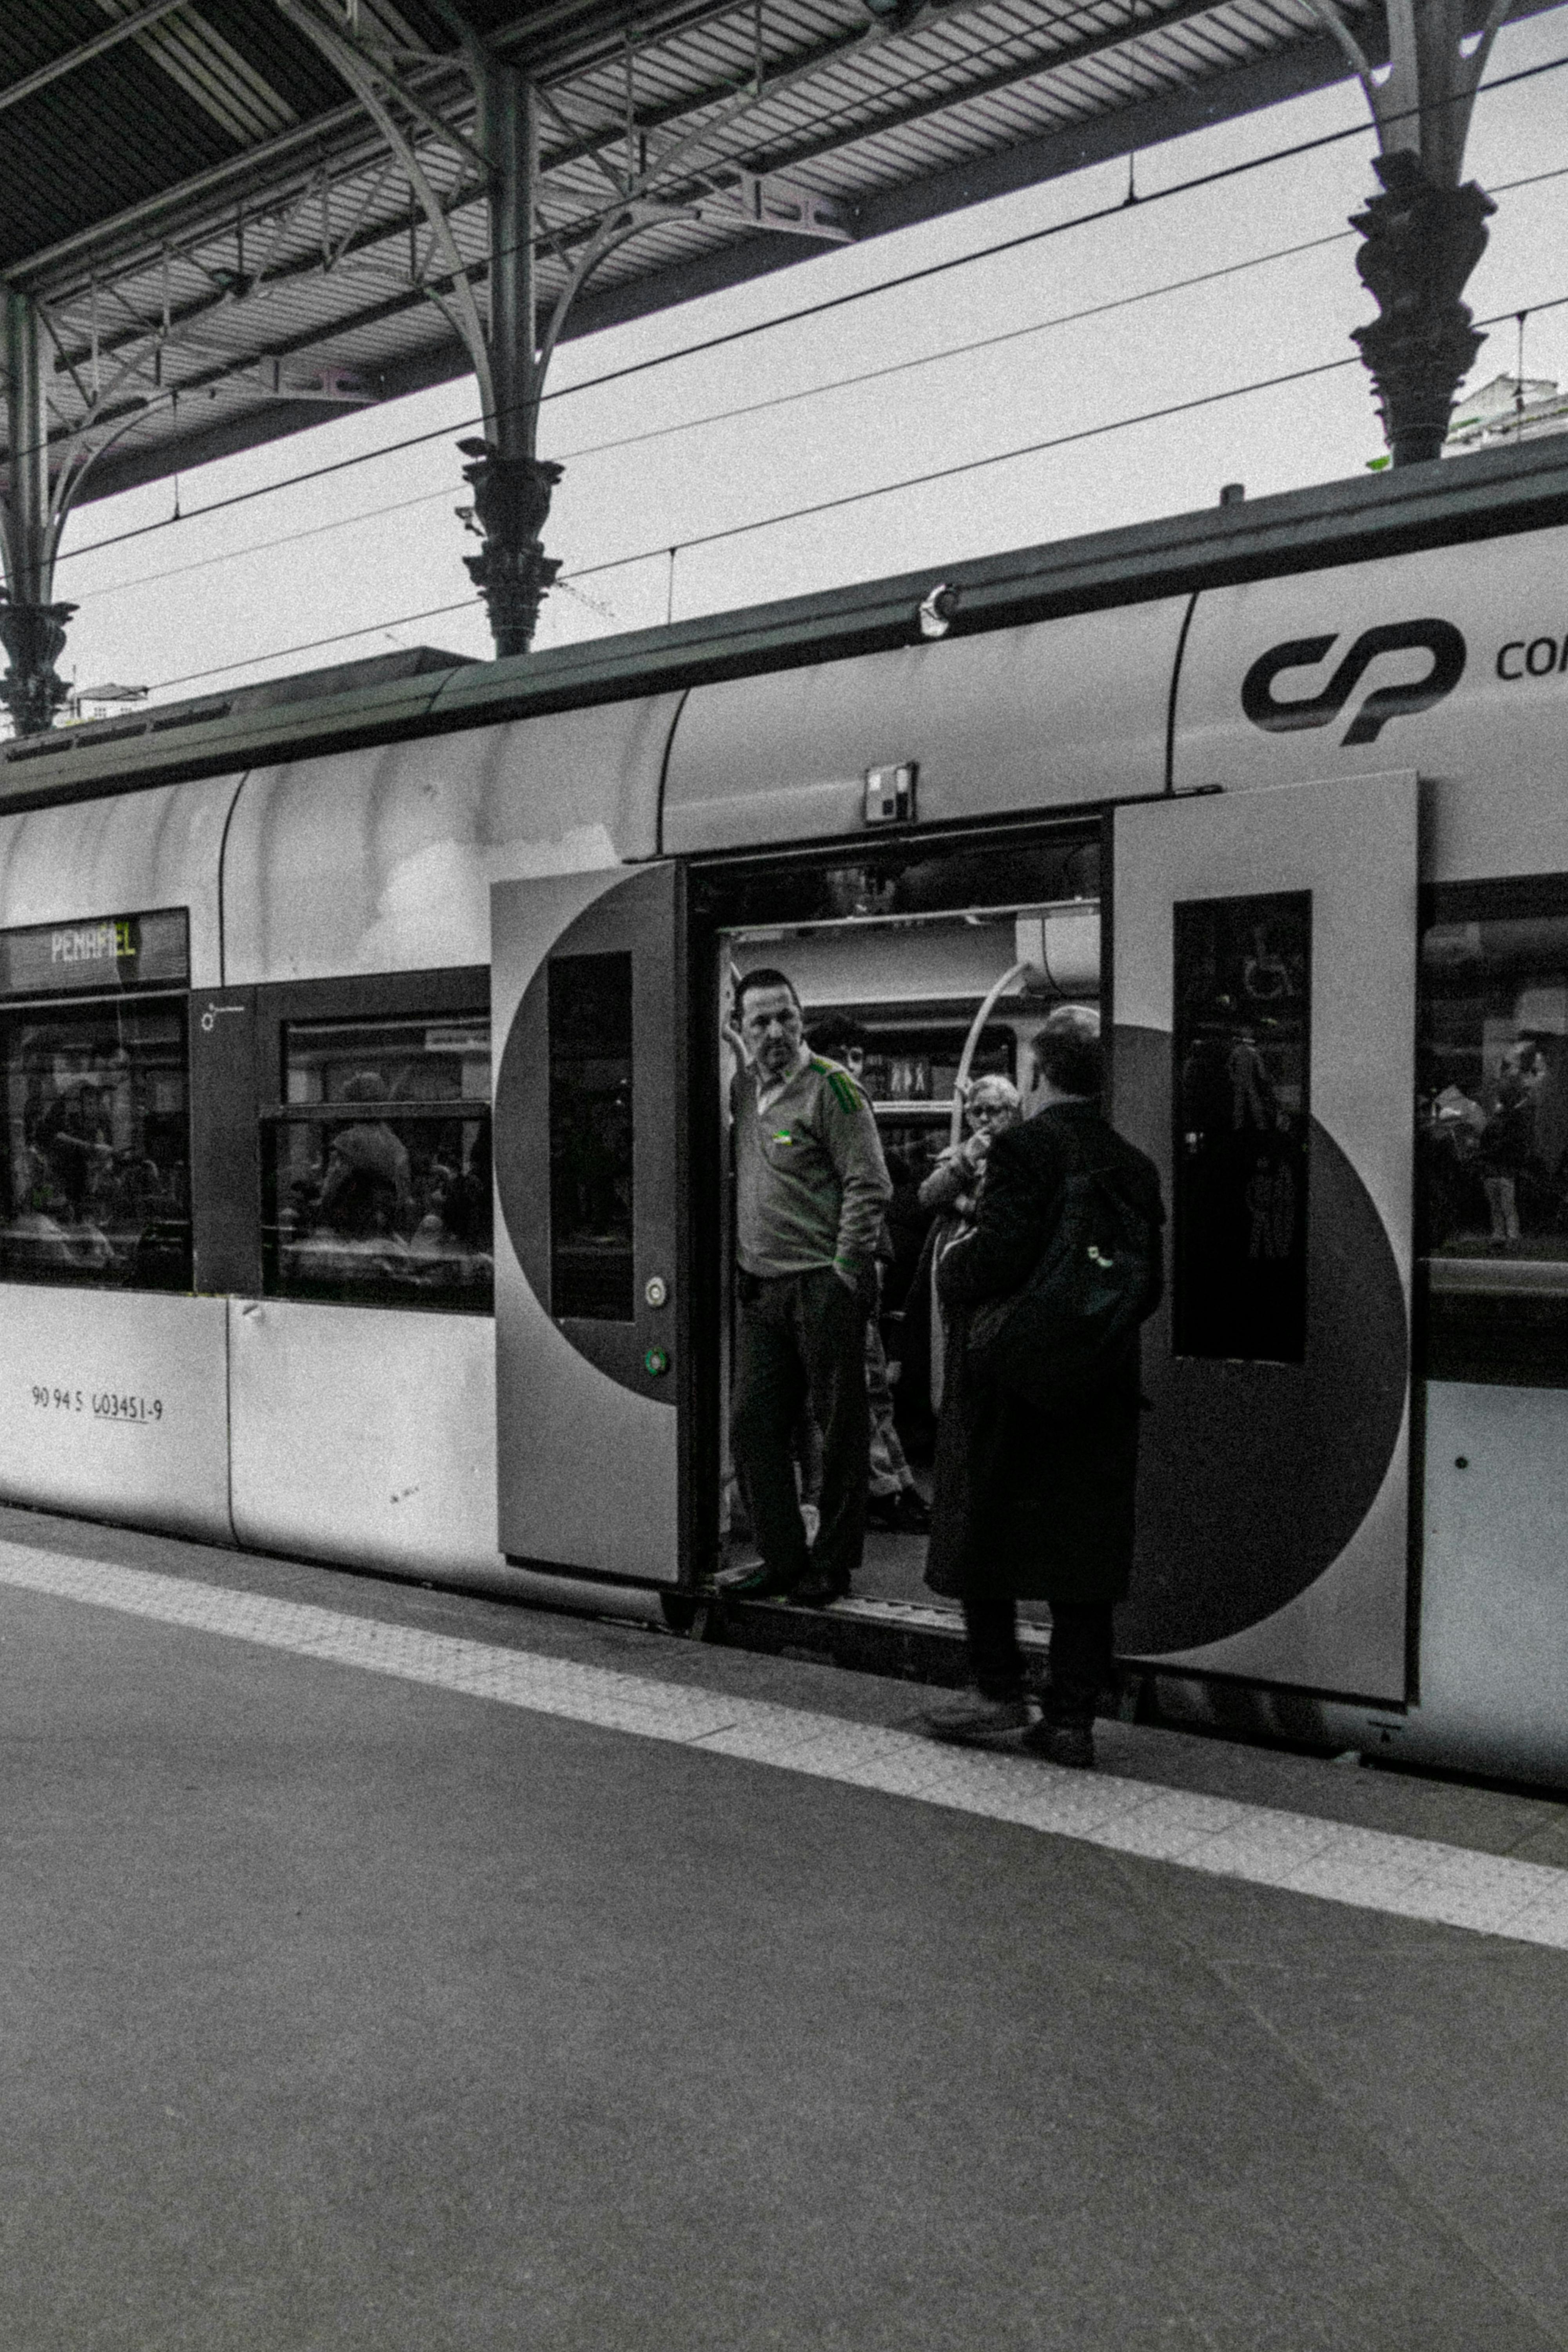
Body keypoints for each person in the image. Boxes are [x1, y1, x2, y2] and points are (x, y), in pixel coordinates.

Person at [920, 1004, 1164, 1768]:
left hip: (1014, 1386)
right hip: (1097, 1386)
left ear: (1036, 1075)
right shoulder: (1134, 1164)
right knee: (1083, 1555)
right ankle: (1068, 1721)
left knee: (980, 1524)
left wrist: (951, 1264)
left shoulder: (1026, 1147)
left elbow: (990, 1260)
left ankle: (996, 1688)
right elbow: (1145, 1287)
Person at [724, 970, 893, 1604]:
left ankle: (834, 1561)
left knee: (838, 1426)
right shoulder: (743, 1088)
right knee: (752, 1427)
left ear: (802, 1019)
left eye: (785, 1018)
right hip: (763, 1290)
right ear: (742, 1029)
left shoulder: (834, 1089)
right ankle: (783, 1556)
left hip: (823, 1283)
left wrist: (848, 1272)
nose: (775, 1032)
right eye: (760, 1021)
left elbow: (869, 1183)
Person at [808, 1011, 929, 1537]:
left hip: (864, 1265)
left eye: (858, 1056)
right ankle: (883, 1487)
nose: (852, 1065)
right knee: (861, 1380)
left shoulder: (850, 1103)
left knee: (873, 1382)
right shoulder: (830, 1102)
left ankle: (895, 1482)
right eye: (844, 1054)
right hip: (848, 1263)